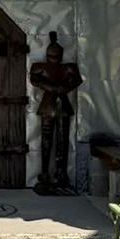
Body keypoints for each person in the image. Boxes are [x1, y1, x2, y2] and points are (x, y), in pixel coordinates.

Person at [29, 31, 82, 192]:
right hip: (48, 103)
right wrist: (52, 87)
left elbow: (77, 80)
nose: (54, 60)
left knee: (62, 140)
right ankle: (45, 173)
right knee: (46, 141)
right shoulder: (40, 67)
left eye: (56, 56)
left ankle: (61, 173)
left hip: (61, 104)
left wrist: (63, 88)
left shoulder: (68, 68)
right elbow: (35, 79)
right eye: (52, 56)